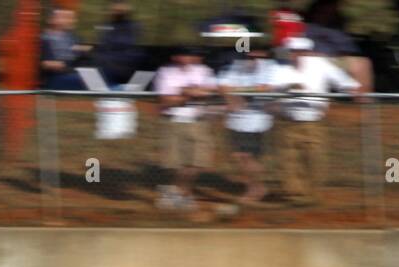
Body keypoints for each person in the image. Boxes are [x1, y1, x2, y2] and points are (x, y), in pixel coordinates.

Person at [273, 35, 359, 206]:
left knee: (314, 157)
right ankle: (294, 194)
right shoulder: (281, 68)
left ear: (308, 52)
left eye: (301, 52)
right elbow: (272, 87)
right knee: (290, 159)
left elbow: (344, 81)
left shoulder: (321, 65)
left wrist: (351, 89)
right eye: (293, 52)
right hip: (289, 121)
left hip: (314, 121)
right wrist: (289, 87)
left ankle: (312, 194)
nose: (297, 55)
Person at [153, 47, 218, 211]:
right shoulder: (166, 72)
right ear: (175, 57)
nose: (187, 58)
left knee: (198, 162)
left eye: (191, 55)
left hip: (199, 121)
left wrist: (184, 93)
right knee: (178, 163)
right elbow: (166, 100)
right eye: (183, 55)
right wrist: (189, 94)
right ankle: (180, 194)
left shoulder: (204, 71)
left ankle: (181, 192)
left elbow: (211, 92)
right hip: (175, 121)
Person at [218, 42, 283, 205]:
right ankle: (256, 187)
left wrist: (239, 93)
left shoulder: (271, 67)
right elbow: (223, 84)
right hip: (236, 121)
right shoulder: (236, 66)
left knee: (246, 156)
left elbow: (265, 88)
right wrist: (231, 97)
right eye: (249, 55)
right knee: (240, 157)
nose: (253, 59)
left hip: (257, 120)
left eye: (257, 55)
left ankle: (256, 189)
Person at [39, 6, 90, 90]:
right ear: (52, 20)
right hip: (55, 77)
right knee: (91, 81)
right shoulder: (44, 39)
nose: (71, 21)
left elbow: (80, 55)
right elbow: (45, 64)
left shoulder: (72, 38)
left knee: (99, 77)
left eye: (72, 18)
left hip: (74, 72)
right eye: (65, 17)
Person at [93, 2, 142, 87]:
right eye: (115, 5)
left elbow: (125, 43)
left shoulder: (133, 26)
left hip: (126, 66)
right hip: (108, 67)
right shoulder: (106, 26)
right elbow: (104, 46)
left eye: (121, 5)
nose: (118, 8)